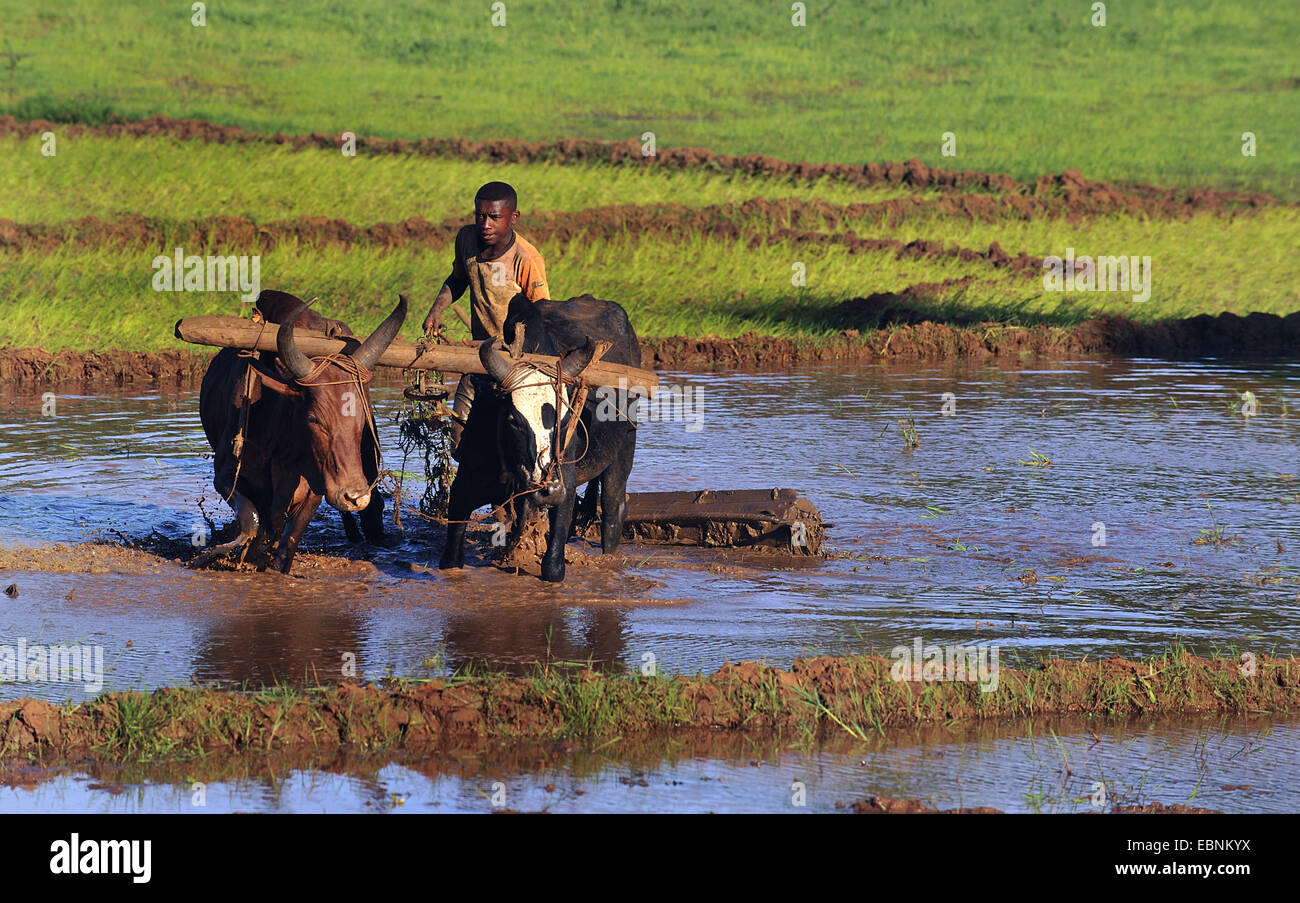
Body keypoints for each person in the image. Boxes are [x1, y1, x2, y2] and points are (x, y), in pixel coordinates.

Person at [422, 181, 550, 457]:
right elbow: (458, 280)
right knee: (460, 445)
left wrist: (501, 345)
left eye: (494, 217)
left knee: (515, 446)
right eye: (480, 216)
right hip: (477, 361)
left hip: (516, 364)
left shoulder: (525, 259)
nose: (485, 224)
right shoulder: (466, 240)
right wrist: (437, 308)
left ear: (513, 218)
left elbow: (542, 318)